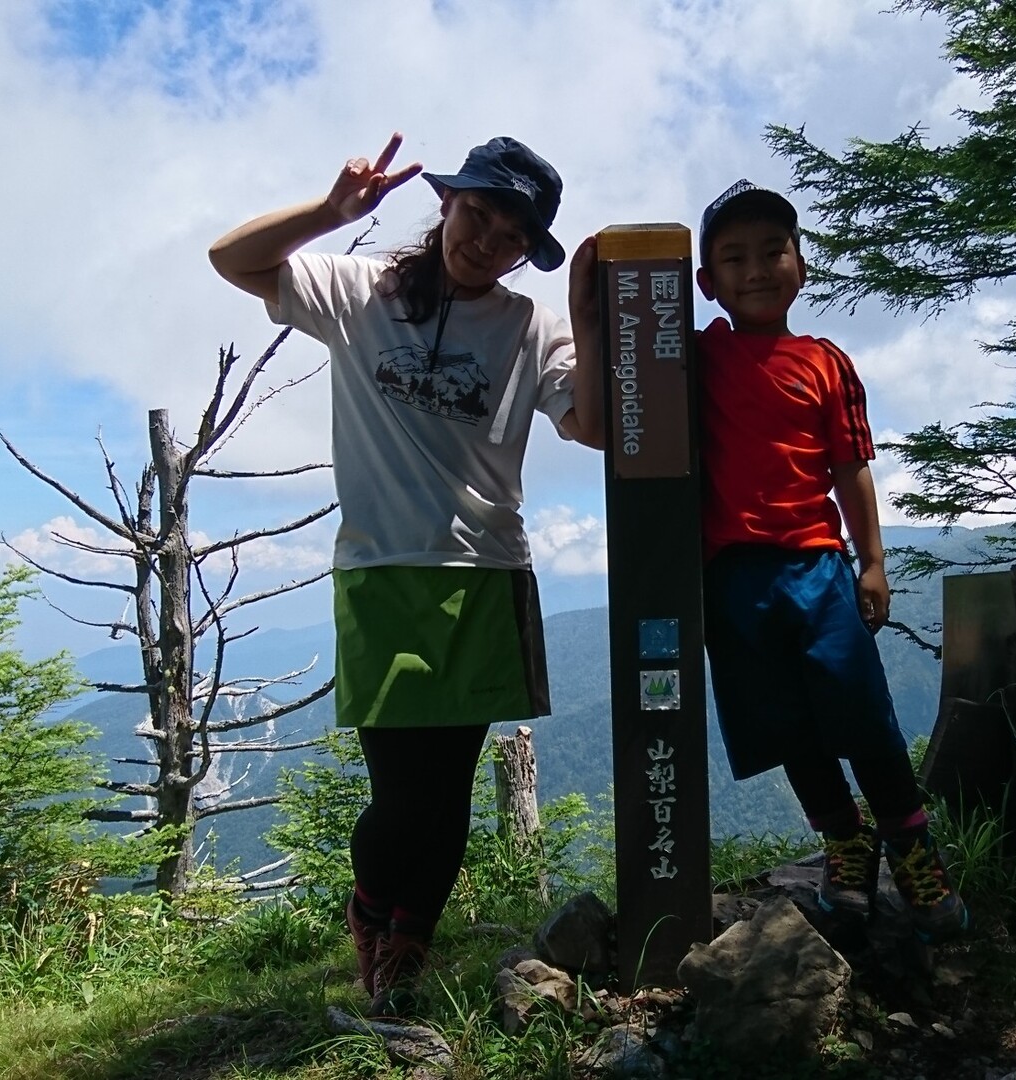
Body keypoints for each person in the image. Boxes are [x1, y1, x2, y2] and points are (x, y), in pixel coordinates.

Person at [209, 133, 602, 1016]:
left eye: (511, 234)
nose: (487, 242)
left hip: (486, 570)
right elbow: (230, 258)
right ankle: (372, 913)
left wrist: (585, 310)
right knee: (398, 796)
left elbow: (594, 427)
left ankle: (406, 954)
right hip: (381, 574)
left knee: (448, 788)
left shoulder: (529, 326)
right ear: (447, 204)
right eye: (478, 215)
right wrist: (328, 213)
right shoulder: (362, 290)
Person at [574, 180, 970, 941]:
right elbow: (627, 389)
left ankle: (914, 851)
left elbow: (852, 466)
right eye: (734, 258)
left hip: (818, 569)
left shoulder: (827, 363)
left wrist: (873, 562)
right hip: (732, 579)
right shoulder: (695, 357)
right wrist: (595, 313)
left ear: (801, 264)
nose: (756, 270)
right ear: (706, 283)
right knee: (789, 730)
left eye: (772, 251)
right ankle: (844, 844)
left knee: (868, 719)